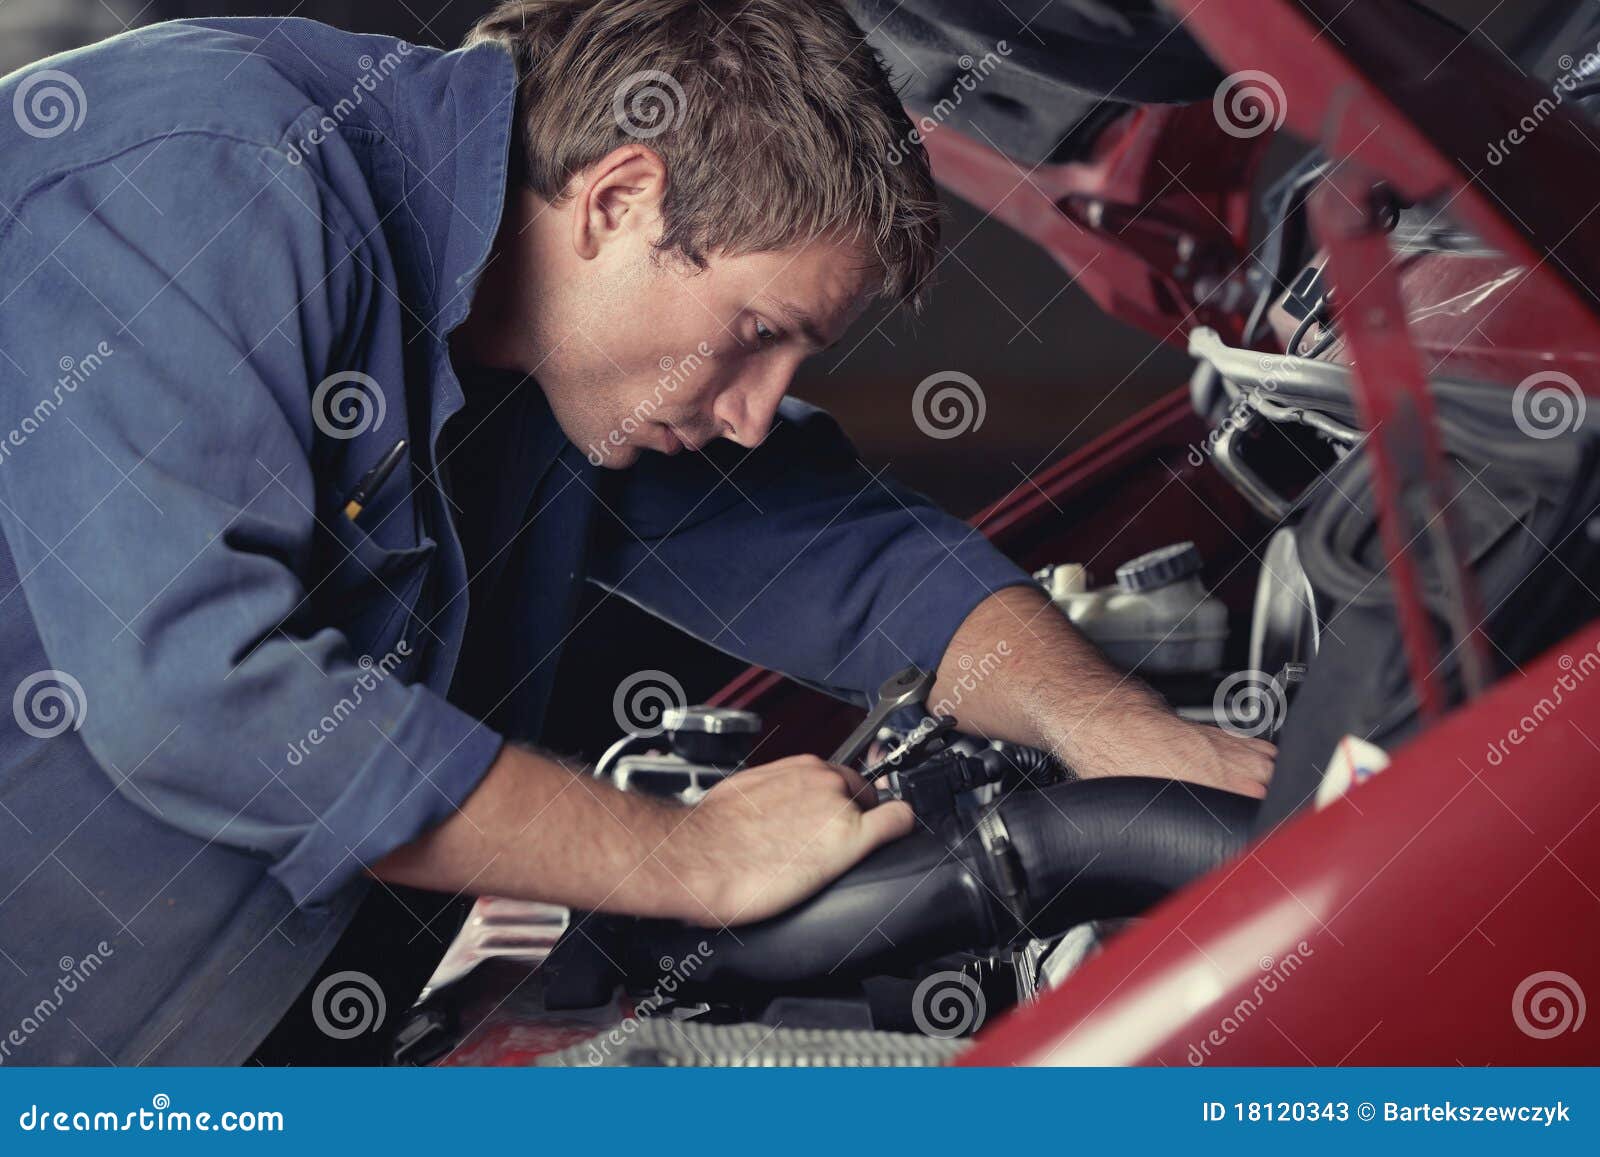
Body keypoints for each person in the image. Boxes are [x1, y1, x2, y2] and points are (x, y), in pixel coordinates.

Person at [0, 0, 1273, 1065]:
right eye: (759, 332)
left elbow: (850, 550)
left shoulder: (557, 349)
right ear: (619, 200)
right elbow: (192, 696)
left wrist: (1116, 731)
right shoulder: (202, 176)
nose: (758, 408)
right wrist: (695, 856)